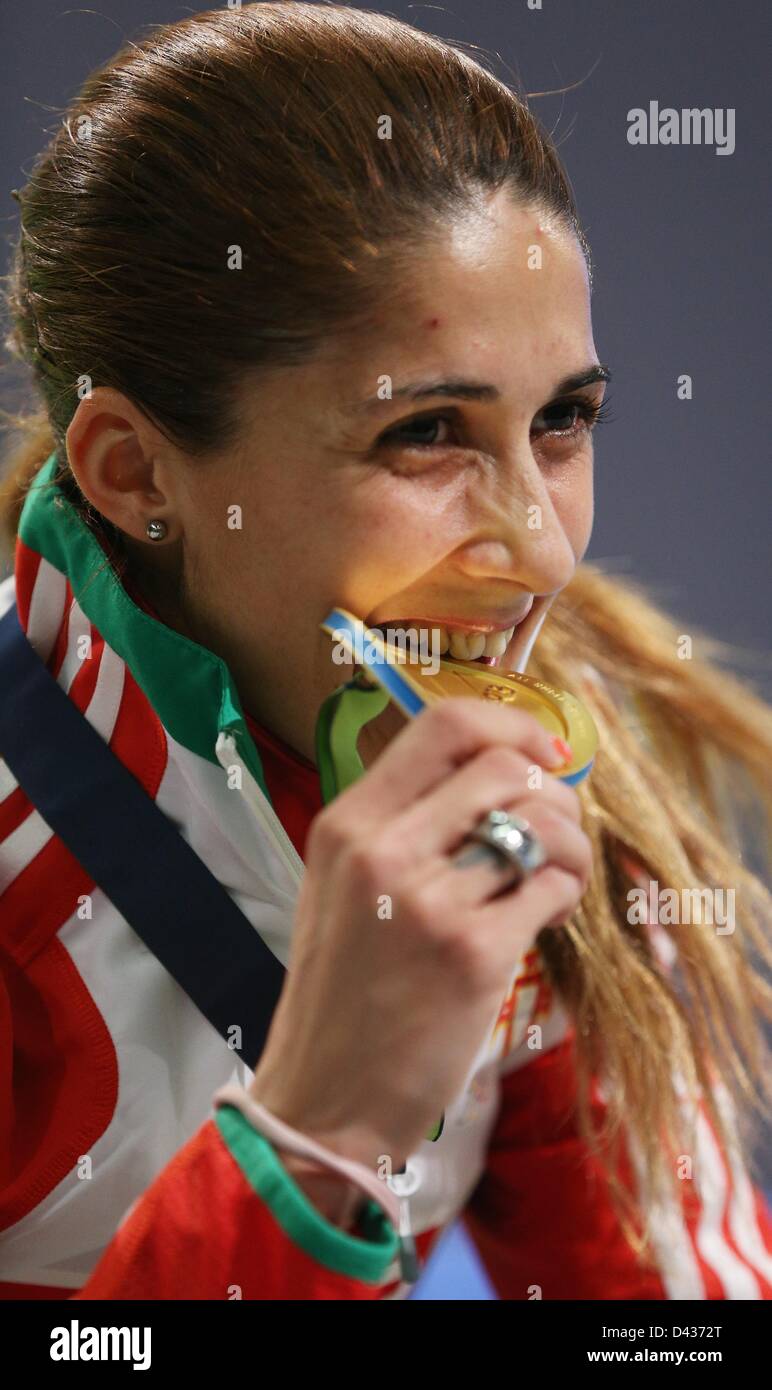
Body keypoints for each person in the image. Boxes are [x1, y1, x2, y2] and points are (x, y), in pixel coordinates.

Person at [1, 2, 771, 1301]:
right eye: (425, 435)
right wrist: (314, 1138)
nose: (538, 551)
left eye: (564, 420)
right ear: (135, 471)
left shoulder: (557, 813)